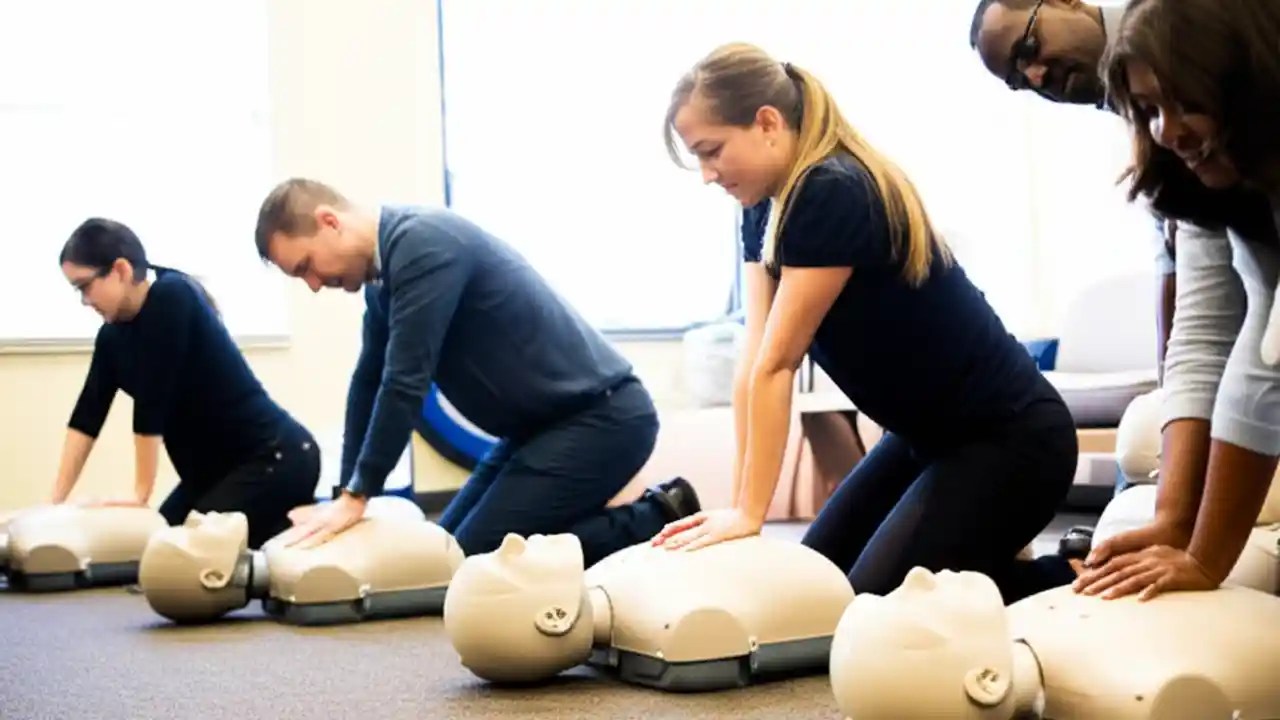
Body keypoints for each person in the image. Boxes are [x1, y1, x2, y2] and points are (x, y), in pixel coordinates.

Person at [650, 42, 1080, 604]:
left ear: (767, 123)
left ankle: (1073, 573)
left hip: (1010, 439)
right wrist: (737, 515)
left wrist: (753, 514)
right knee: (818, 591)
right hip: (922, 440)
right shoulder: (761, 206)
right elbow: (755, 359)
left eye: (712, 151)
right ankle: (982, 553)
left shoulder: (830, 190)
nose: (707, 174)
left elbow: (779, 364)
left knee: (869, 607)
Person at [252, 179, 700, 565]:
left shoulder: (422, 243)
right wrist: (345, 492)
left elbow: (403, 382)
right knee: (443, 553)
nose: (312, 285)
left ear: (329, 221)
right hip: (536, 433)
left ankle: (659, 516)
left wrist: (359, 497)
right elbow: (367, 385)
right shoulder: (382, 286)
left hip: (603, 420)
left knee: (478, 557)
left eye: (306, 266)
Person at [1071, 0, 1280, 601]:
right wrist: (1173, 523)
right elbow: (1210, 335)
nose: (1168, 130)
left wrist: (1208, 558)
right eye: (1148, 109)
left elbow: (1268, 364)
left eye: (1186, 103)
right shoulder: (1208, 174)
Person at [54, 218, 320, 549]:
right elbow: (86, 417)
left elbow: (153, 397)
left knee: (181, 552)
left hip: (273, 458)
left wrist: (140, 494)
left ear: (120, 270)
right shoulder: (112, 337)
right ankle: (286, 523)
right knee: (153, 548)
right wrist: (55, 505)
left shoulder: (171, 296)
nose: (84, 300)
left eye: (84, 287)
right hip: (211, 476)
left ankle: (306, 523)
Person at [970, 0, 1177, 392]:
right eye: (1017, 79)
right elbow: (1175, 253)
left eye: (1028, 48)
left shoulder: (1178, 29)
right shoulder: (1133, 114)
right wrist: (1171, 391)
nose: (1034, 77)